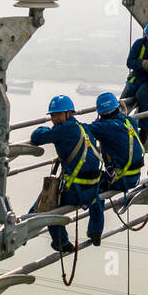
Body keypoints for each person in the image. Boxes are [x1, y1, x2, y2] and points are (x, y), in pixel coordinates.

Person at [30, 95, 104, 252]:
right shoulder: (83, 127)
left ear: (69, 113)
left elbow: (37, 137)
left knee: (47, 205)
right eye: (52, 115)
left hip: (76, 192)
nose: (54, 119)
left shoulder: (64, 129)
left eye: (57, 115)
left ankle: (60, 242)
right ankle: (96, 232)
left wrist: (43, 129)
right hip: (92, 188)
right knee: (97, 200)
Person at [89, 91, 144, 195]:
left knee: (88, 188)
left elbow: (83, 130)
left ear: (100, 113)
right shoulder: (130, 121)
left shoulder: (105, 127)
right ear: (118, 107)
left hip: (120, 180)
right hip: (135, 176)